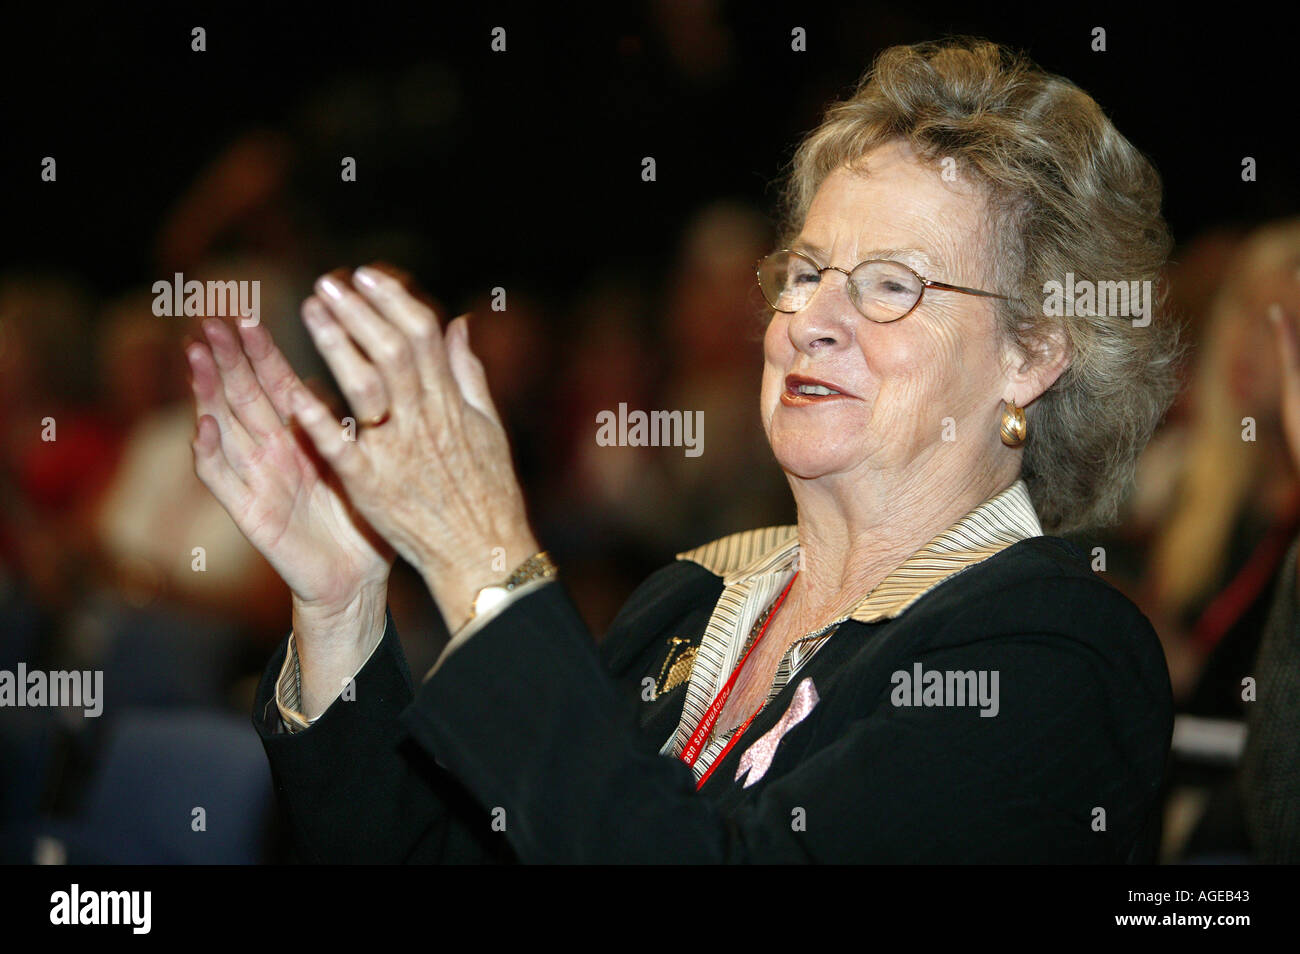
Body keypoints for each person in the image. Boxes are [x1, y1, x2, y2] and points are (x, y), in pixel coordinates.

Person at [187, 38, 1179, 862]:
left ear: (1035, 352)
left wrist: (484, 560)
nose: (808, 321)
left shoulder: (1056, 654)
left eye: (889, 285)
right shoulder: (693, 600)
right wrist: (343, 602)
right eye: (804, 270)